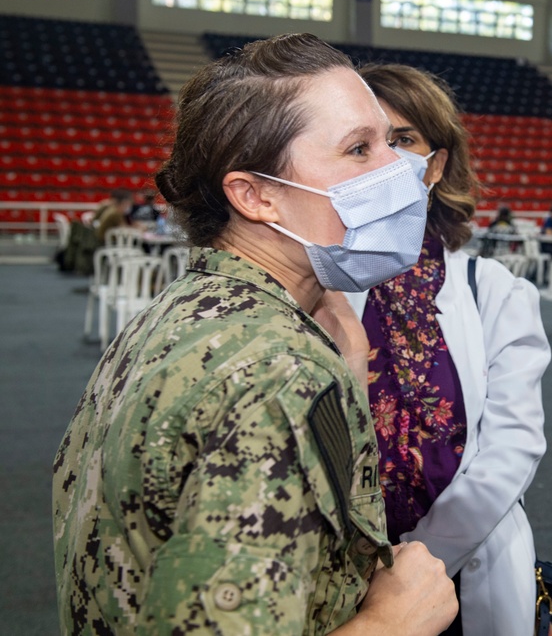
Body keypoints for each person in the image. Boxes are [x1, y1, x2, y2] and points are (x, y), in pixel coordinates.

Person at [52, 33, 457, 635]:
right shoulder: (278, 373)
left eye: (393, 142)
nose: (397, 169)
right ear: (256, 195)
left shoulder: (183, 315)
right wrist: (393, 623)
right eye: (359, 149)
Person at [350, 62, 550, 636]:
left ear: (435, 164)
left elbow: (512, 447)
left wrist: (419, 562)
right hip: (334, 578)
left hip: (464, 572)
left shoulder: (495, 292)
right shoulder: (312, 287)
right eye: (363, 143)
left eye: (403, 139)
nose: (385, 158)